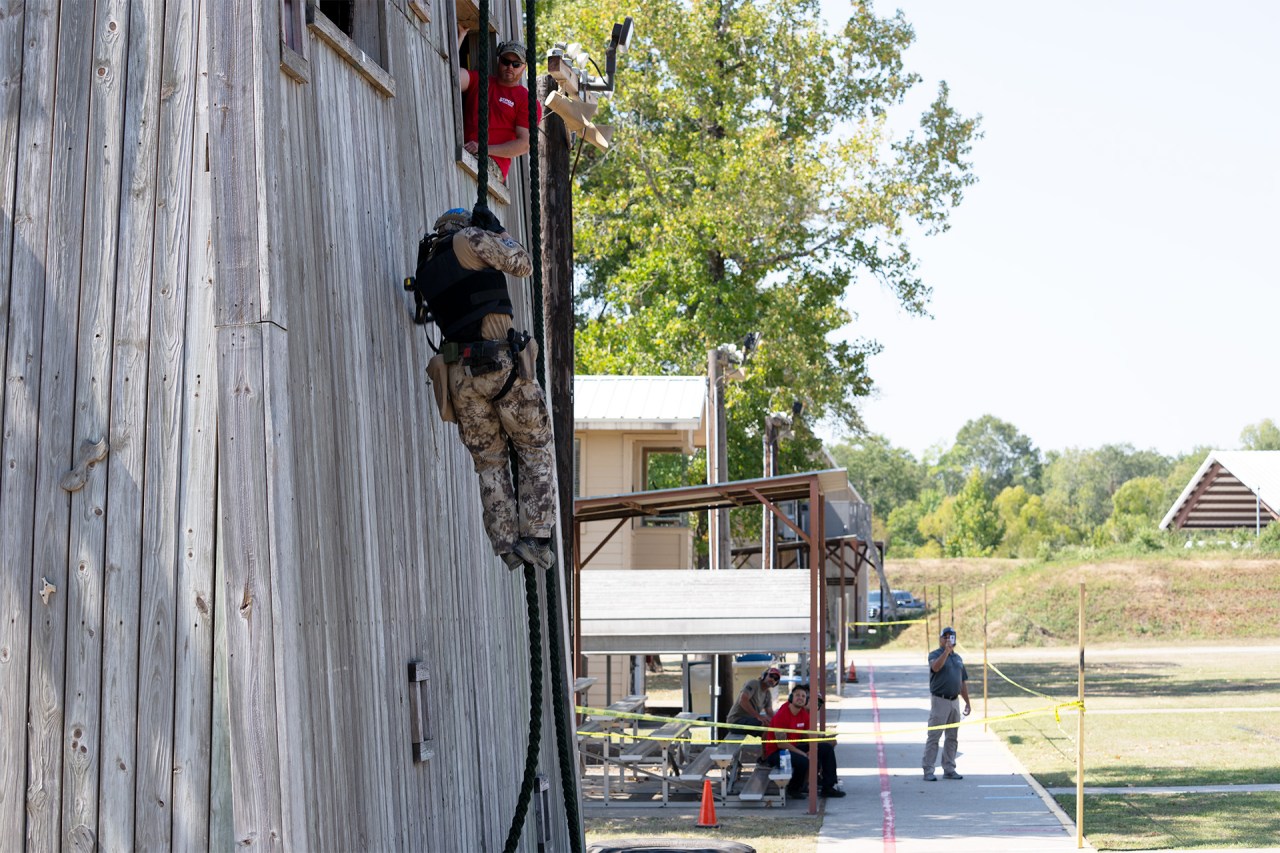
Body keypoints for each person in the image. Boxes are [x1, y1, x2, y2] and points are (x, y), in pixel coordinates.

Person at [413, 204, 555, 571]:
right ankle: (536, 538)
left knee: (490, 463)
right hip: (499, 365)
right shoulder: (470, 240)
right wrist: (499, 232)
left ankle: (506, 543)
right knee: (534, 445)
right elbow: (522, 263)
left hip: (460, 379)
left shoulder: (427, 270)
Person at [456, 31, 540, 181]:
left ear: (524, 67)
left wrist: (483, 149)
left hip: (491, 161)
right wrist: (460, 37)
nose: (510, 67)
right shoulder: (480, 81)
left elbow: (524, 145)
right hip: (463, 150)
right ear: (499, 60)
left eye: (516, 64)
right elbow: (453, 76)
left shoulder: (526, 100)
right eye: (505, 61)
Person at [760, 685, 844, 798]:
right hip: (776, 753)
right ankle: (794, 789)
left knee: (826, 748)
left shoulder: (803, 714)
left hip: (791, 748)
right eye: (797, 695)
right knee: (803, 760)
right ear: (791, 697)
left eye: (803, 696)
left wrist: (814, 747)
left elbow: (809, 734)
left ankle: (828, 787)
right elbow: (781, 744)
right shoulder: (782, 714)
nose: (800, 698)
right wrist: (804, 753)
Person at [923, 626, 971, 781]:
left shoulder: (958, 658)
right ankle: (928, 769)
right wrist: (946, 652)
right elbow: (936, 668)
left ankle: (949, 768)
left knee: (952, 737)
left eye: (951, 637)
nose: (948, 639)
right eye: (945, 637)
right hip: (940, 700)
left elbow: (962, 682)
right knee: (934, 736)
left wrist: (967, 702)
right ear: (940, 639)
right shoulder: (935, 655)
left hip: (954, 701)